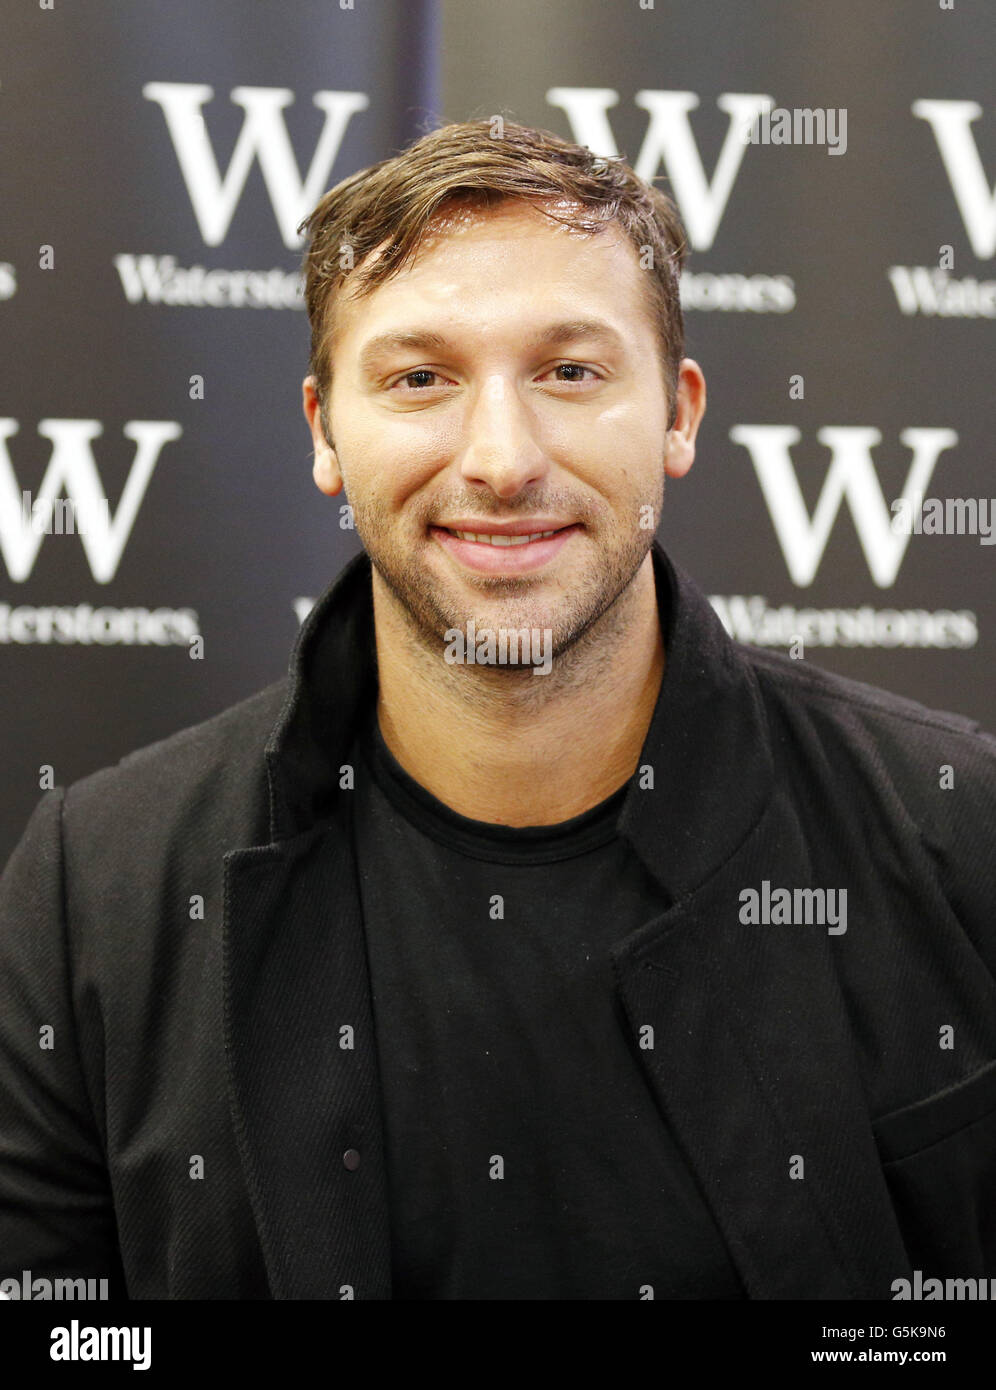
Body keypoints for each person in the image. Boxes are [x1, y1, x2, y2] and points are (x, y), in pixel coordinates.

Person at [1, 118, 995, 1302]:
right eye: (420, 378)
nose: (501, 458)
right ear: (325, 430)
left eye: (571, 371)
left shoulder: (956, 831)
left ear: (678, 414)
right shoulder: (97, 886)